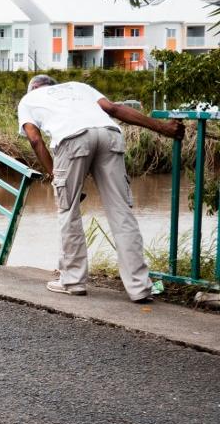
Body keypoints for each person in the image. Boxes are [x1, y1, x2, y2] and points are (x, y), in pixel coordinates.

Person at [18, 74, 184, 303]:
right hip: (108, 134)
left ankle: (73, 281)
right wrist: (163, 128)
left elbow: (35, 140)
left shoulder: (28, 100)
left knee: (68, 211)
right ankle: (139, 288)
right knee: (121, 212)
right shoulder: (78, 86)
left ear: (33, 88)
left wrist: (54, 175)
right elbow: (114, 109)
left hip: (71, 140)